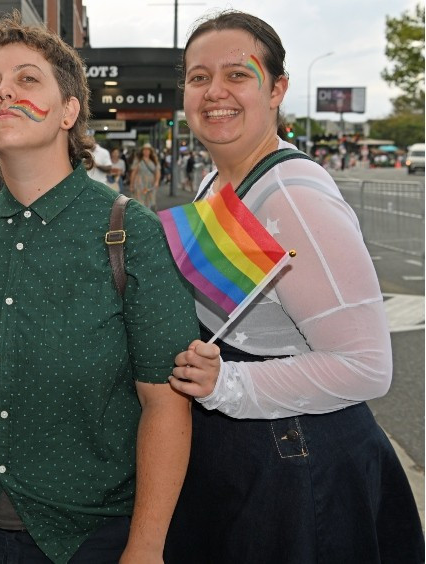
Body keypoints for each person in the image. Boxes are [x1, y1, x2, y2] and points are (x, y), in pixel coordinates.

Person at [0, 12, 199, 564]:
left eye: (27, 79)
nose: (2, 91)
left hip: (92, 542)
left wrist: (146, 547)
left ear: (70, 111)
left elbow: (165, 404)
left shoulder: (129, 233)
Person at [163, 10, 424, 563]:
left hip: (300, 472)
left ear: (277, 88)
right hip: (249, 461)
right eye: (198, 76)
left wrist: (224, 384)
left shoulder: (293, 196)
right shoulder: (217, 180)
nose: (215, 92)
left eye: (238, 74)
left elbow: (366, 364)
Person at [129, 142, 161, 209]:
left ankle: (147, 216)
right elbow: (133, 173)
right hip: (139, 184)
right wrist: (131, 185)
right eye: (144, 150)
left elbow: (157, 172)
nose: (146, 151)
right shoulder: (138, 160)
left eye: (148, 150)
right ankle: (140, 217)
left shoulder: (154, 160)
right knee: (140, 201)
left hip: (150, 184)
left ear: (150, 151)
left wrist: (157, 181)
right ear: (142, 151)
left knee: (149, 201)